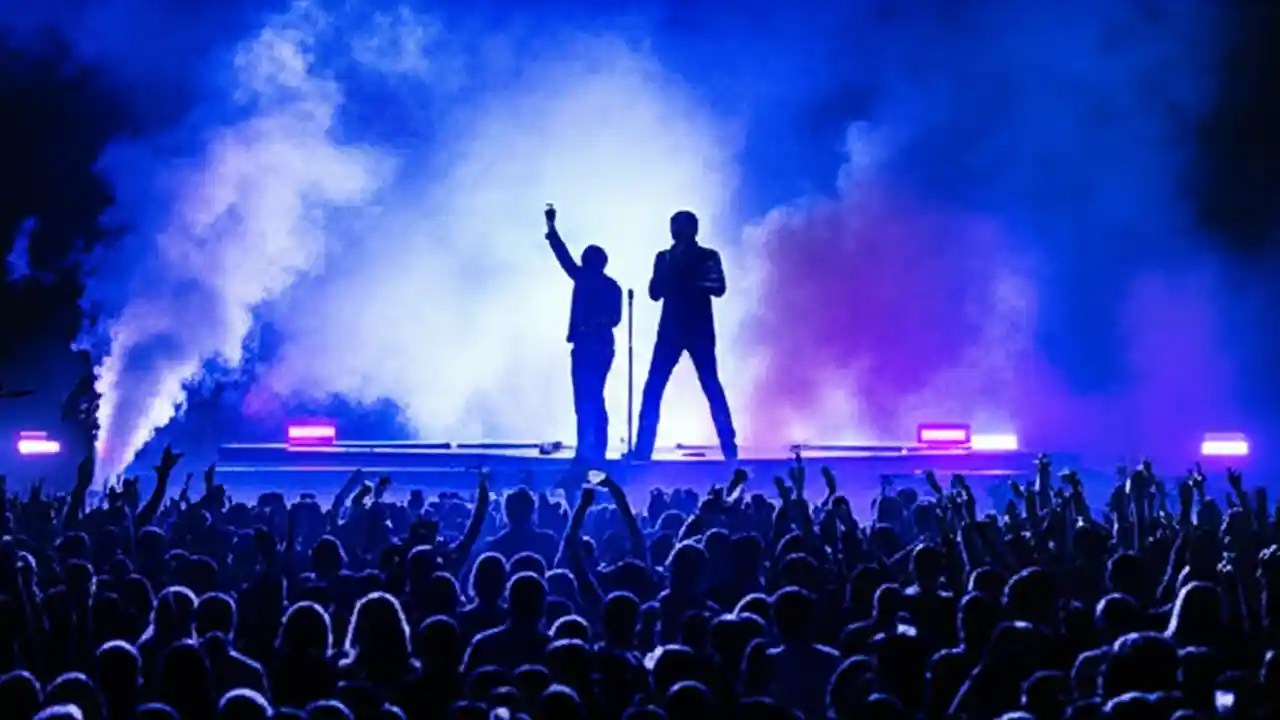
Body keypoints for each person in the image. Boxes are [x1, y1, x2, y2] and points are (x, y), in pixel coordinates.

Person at [632, 210, 737, 461]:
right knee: (654, 387)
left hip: (698, 330)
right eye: (674, 226)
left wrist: (686, 280)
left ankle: (729, 448)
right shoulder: (664, 258)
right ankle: (643, 449)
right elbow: (654, 292)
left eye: (680, 226)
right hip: (671, 330)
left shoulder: (707, 256)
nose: (676, 231)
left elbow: (719, 288)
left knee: (710, 385)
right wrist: (670, 276)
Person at [544, 203, 623, 466]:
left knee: (588, 397)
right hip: (597, 346)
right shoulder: (607, 285)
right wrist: (552, 228)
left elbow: (563, 256)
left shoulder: (588, 280)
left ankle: (590, 450)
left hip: (592, 346)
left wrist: (552, 228)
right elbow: (563, 256)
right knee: (590, 396)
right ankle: (592, 448)